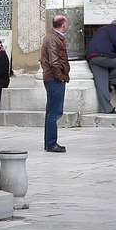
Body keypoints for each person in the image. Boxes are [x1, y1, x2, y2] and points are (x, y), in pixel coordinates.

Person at [40, 15, 70, 153]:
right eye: (67, 23)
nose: (67, 25)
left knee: (51, 111)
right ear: (63, 25)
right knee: (54, 112)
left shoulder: (53, 37)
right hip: (54, 79)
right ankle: (51, 143)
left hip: (52, 78)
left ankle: (49, 142)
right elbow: (54, 61)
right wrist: (61, 77)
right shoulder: (53, 38)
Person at [86, 20, 116, 114]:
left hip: (92, 58)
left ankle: (107, 109)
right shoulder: (113, 28)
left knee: (101, 85)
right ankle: (110, 80)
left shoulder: (100, 30)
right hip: (104, 56)